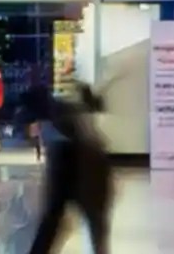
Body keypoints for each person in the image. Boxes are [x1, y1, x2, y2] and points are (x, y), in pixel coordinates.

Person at [27, 81, 113, 254]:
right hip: (88, 164)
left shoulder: (61, 118)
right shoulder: (84, 124)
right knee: (95, 225)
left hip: (73, 162)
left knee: (51, 222)